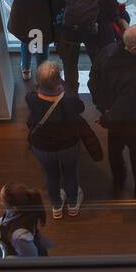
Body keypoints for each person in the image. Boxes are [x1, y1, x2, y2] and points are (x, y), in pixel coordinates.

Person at [89, 24, 136, 197]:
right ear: (134, 48)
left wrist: (103, 108)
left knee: (115, 150)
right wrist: (108, 116)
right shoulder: (135, 75)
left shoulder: (107, 51)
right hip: (133, 120)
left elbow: (93, 81)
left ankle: (118, 181)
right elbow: (127, 104)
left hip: (111, 116)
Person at [27, 61, 103, 218]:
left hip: (42, 146)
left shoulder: (31, 99)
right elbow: (80, 108)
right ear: (59, 79)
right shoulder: (69, 99)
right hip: (68, 145)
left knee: (50, 174)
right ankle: (73, 204)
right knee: (70, 173)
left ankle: (56, 206)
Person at [55, 0, 124, 94]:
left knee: (69, 67)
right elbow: (112, 15)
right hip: (95, 34)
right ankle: (100, 95)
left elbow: (55, 4)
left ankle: (71, 96)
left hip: (69, 32)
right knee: (98, 65)